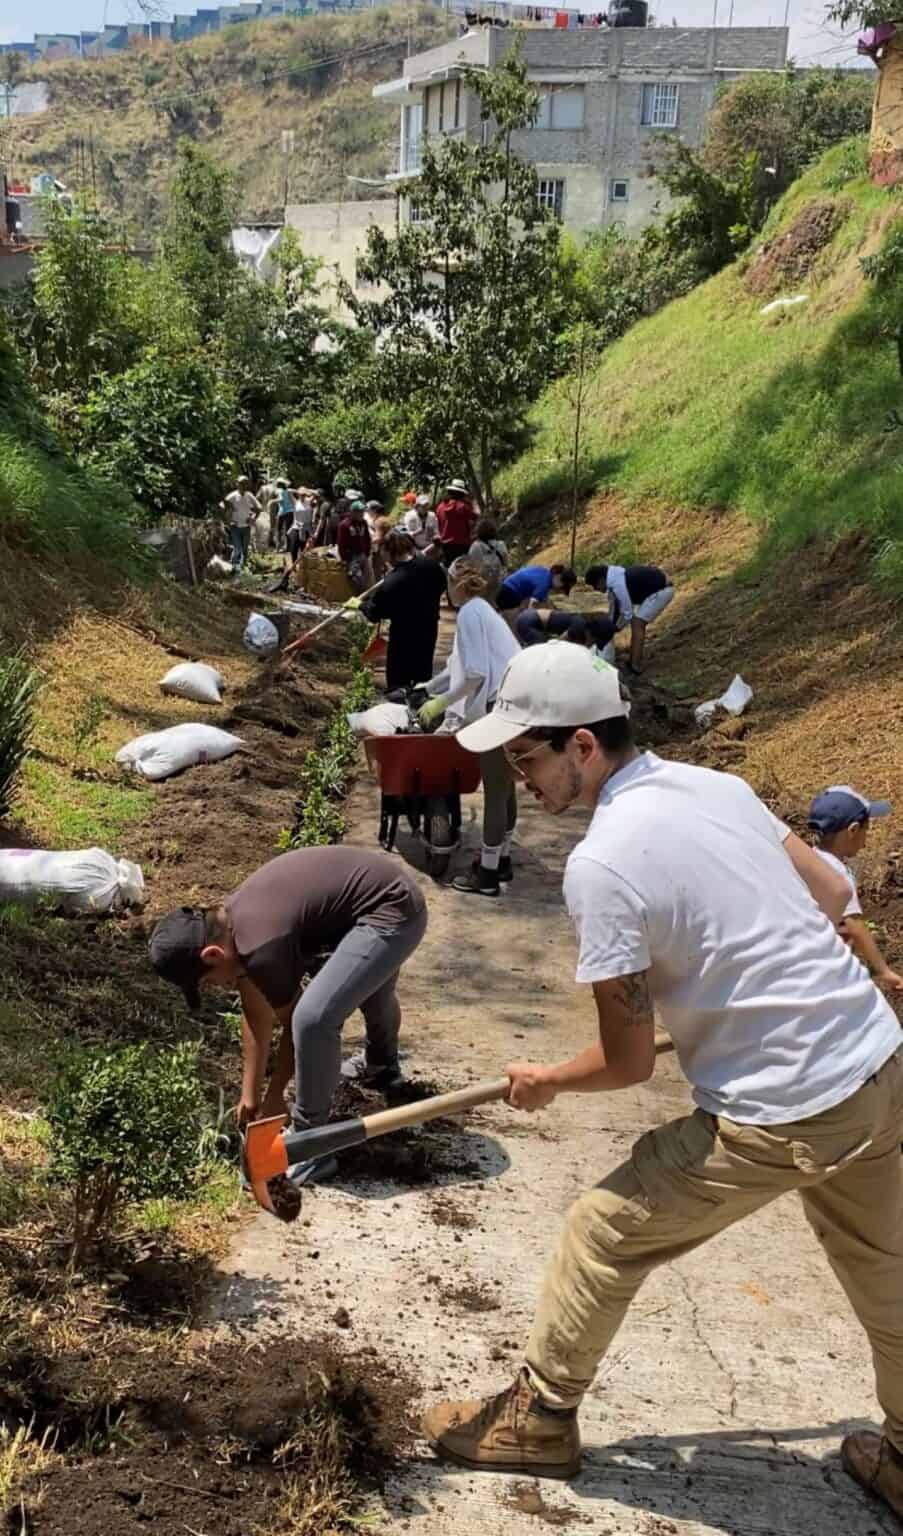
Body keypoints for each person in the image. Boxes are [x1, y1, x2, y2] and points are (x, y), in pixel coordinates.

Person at [423, 640, 903, 1517]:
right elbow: (831, 899)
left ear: (580, 746)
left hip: (784, 1104)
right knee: (885, 1269)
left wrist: (547, 1079)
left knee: (603, 1231)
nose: (520, 779)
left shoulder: (602, 864)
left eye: (526, 757)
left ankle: (536, 1419)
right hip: (873, 1061)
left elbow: (627, 1062)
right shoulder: (714, 788)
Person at [148, 847, 427, 1188]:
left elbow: (298, 1028)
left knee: (314, 1017)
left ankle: (311, 1145)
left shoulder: (261, 947)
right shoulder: (233, 924)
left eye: (209, 979)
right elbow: (256, 1012)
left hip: (393, 911)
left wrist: (277, 1094)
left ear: (212, 953)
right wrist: (251, 1095)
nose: (217, 987)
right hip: (372, 902)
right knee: (366, 985)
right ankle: (381, 1066)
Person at [418, 557, 520, 896]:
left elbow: (474, 674)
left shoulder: (469, 614)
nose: (447, 592)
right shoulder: (483, 610)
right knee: (504, 787)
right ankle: (502, 860)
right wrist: (430, 688)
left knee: (494, 787)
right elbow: (463, 666)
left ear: (458, 583)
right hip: (514, 698)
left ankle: (487, 876)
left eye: (449, 584)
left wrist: (443, 703)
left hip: (499, 706)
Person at [809, 785, 903, 993]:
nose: (866, 841)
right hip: (825, 968)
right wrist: (883, 970)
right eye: (866, 830)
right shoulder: (836, 874)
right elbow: (855, 926)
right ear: (852, 830)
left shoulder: (810, 859)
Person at [351, 529, 447, 693]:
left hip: (403, 637)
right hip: (428, 630)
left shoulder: (393, 582)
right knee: (422, 678)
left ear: (389, 553)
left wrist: (360, 604)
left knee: (398, 684)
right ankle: (420, 711)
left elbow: (375, 613)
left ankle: (400, 712)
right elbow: (442, 586)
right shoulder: (431, 566)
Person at [585, 562, 674, 673]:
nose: (596, 589)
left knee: (637, 623)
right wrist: (608, 627)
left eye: (595, 586)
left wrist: (612, 630)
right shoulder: (614, 579)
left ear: (601, 580)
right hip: (658, 586)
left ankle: (635, 665)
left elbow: (627, 613)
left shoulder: (618, 584)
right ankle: (632, 659)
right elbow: (613, 611)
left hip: (662, 590)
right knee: (636, 622)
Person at [516, 608, 616, 662]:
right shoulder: (578, 627)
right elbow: (556, 645)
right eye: (593, 641)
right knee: (543, 654)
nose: (592, 644)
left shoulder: (582, 631)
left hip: (535, 622)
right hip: (529, 621)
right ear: (591, 633)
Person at [496, 564, 577, 616]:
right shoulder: (544, 585)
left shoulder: (545, 572)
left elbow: (544, 600)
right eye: (562, 587)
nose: (559, 590)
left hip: (506, 585)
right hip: (511, 593)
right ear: (558, 577)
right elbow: (533, 604)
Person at [220, 475, 261, 571]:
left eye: (245, 483)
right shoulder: (232, 496)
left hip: (246, 527)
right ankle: (233, 567)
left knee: (245, 549)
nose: (243, 485)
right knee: (238, 548)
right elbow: (222, 507)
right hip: (235, 527)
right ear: (237, 484)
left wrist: (253, 518)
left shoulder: (249, 495)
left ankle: (243, 568)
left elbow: (259, 508)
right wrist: (228, 521)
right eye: (241, 483)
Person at [435, 479, 478, 568]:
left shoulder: (440, 507)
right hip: (462, 546)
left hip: (445, 546)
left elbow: (439, 525)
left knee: (448, 570)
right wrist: (473, 502)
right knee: (462, 572)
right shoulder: (463, 507)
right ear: (462, 494)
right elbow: (476, 516)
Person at [337, 499, 373, 592]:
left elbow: (367, 537)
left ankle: (366, 596)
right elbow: (341, 543)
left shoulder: (363, 523)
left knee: (368, 578)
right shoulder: (344, 525)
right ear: (353, 512)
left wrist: (367, 552)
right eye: (359, 512)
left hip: (363, 554)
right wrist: (344, 558)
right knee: (357, 578)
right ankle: (359, 598)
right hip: (351, 557)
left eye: (362, 512)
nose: (362, 514)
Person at [469, 517, 509, 591]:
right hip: (502, 584)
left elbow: (472, 569)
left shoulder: (476, 547)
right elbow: (506, 564)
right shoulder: (501, 544)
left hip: (485, 588)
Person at [274, 478, 295, 552]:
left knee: (278, 530)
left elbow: (281, 499)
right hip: (290, 512)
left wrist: (272, 501)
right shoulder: (288, 491)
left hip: (282, 512)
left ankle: (278, 547)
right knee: (288, 530)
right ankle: (288, 547)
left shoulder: (279, 491)